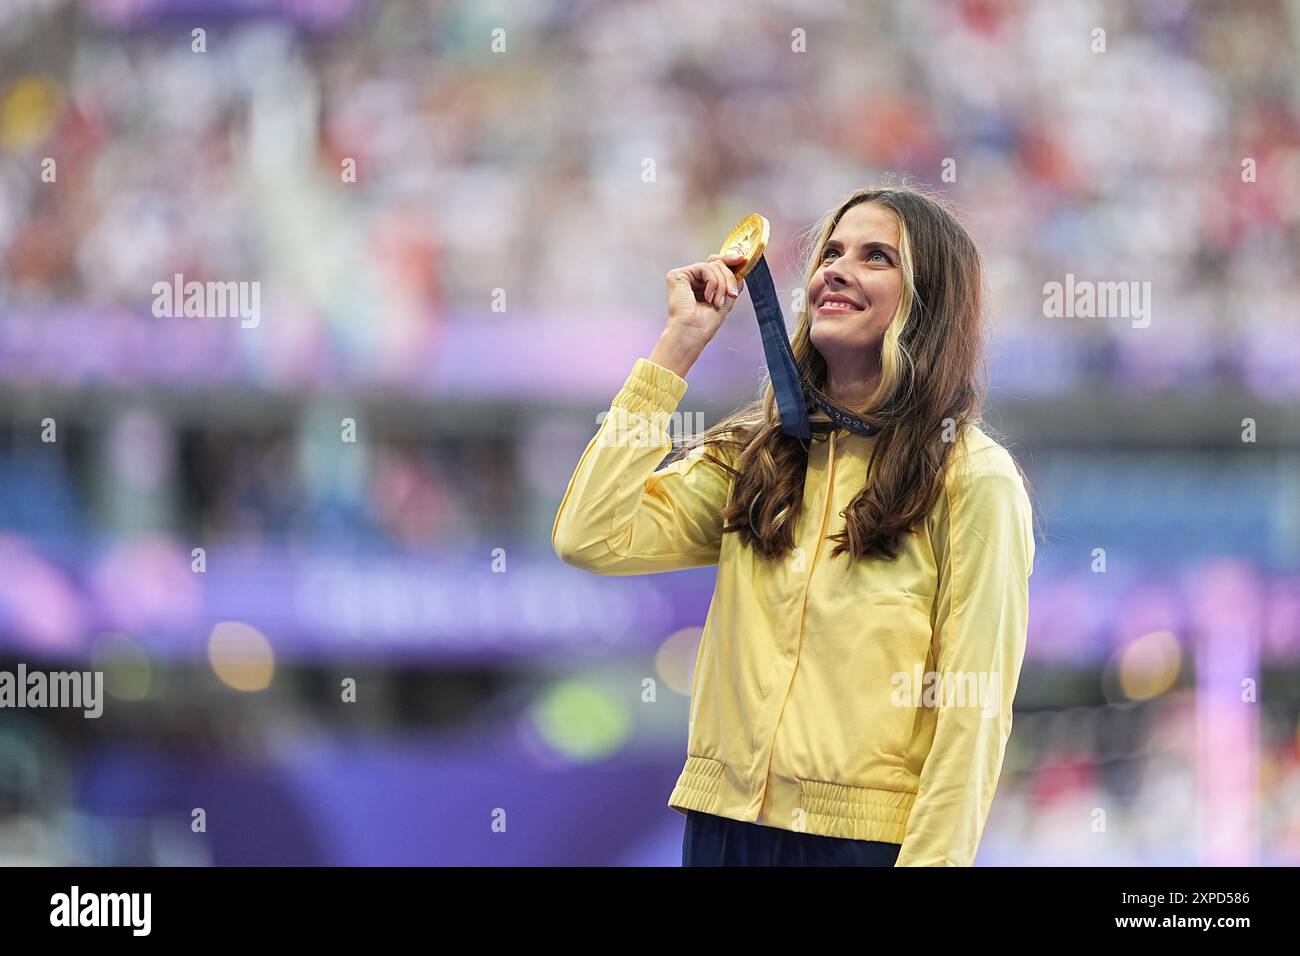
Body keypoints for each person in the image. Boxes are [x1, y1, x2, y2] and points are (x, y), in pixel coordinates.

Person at [552, 184, 1036, 866]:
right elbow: (589, 534)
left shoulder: (974, 481)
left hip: (862, 844)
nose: (837, 268)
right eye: (830, 252)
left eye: (877, 257)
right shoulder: (757, 452)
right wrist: (676, 349)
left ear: (931, 302)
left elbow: (973, 715)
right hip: (721, 828)